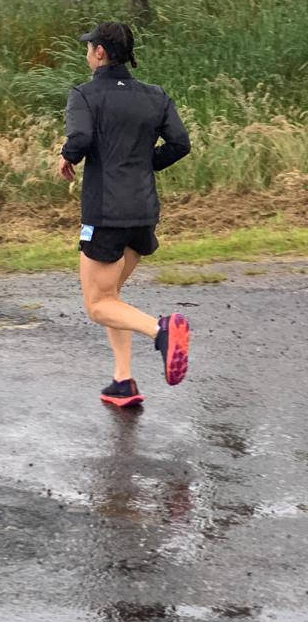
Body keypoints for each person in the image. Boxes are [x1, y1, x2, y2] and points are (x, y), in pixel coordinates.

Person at [59, 21, 192, 407]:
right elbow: (180, 143)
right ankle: (123, 381)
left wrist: (66, 157)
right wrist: (144, 163)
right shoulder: (154, 95)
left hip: (105, 215)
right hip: (143, 214)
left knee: (98, 305)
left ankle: (161, 331)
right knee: (113, 296)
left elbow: (81, 139)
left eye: (89, 48)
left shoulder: (84, 95)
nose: (87, 54)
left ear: (100, 52)